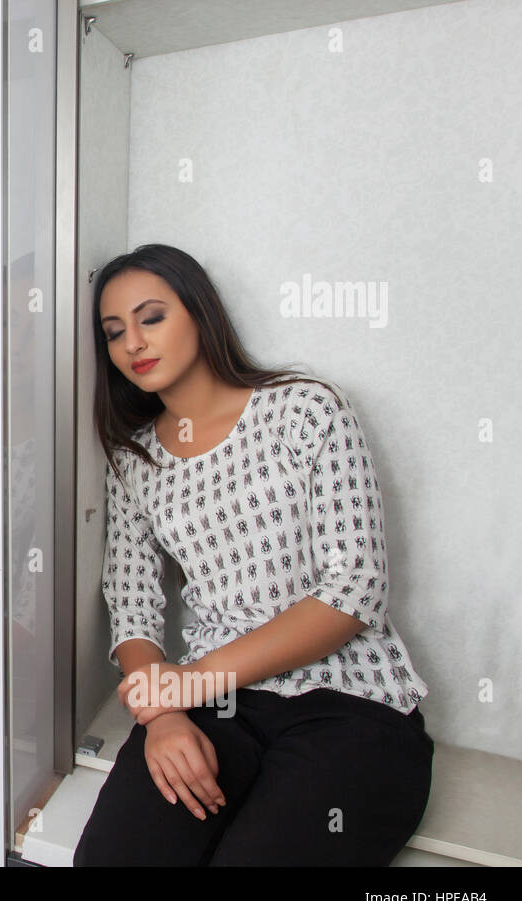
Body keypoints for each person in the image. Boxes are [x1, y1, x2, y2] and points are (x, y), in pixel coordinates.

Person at [72, 244, 433, 866]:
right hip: (213, 706)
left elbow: (354, 590)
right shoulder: (134, 460)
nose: (133, 342)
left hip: (348, 706)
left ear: (200, 314)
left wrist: (191, 681)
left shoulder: (306, 409)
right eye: (113, 332)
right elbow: (131, 604)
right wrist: (162, 716)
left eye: (151, 317)